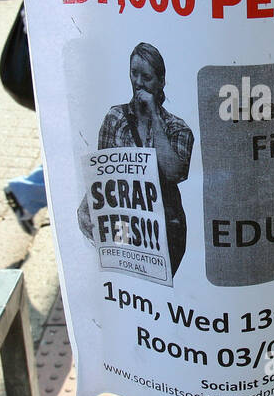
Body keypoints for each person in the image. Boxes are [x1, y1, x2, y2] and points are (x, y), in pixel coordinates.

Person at [80, 43, 193, 276]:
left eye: (147, 77)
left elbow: (174, 172)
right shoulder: (115, 118)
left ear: (161, 81)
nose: (138, 82)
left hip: (164, 231)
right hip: (123, 226)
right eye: (134, 74)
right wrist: (86, 206)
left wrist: (153, 113)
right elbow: (102, 173)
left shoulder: (177, 128)